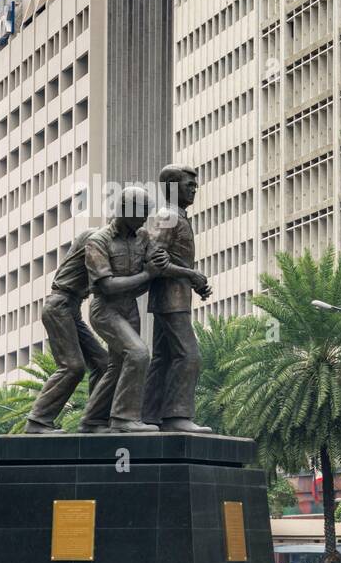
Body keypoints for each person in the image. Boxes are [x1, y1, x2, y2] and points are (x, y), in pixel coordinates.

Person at [79, 185, 185, 433]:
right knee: (138, 353)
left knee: (117, 366)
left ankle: (92, 420)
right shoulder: (98, 241)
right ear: (124, 209)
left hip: (130, 308)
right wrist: (147, 274)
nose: (145, 218)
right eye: (141, 212)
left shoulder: (144, 238)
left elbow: (159, 265)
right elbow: (107, 286)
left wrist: (188, 274)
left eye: (148, 212)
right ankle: (124, 419)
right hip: (105, 310)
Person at [142, 163, 213, 433]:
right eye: (189, 184)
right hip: (170, 300)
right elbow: (155, 259)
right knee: (188, 355)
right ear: (172, 187)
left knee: (163, 357)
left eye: (195, 185)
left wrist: (192, 281)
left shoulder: (178, 216)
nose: (195, 189)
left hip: (175, 297)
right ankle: (176, 416)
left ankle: (149, 415)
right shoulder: (168, 215)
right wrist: (191, 275)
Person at [23, 228, 109, 434]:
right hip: (59, 305)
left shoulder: (101, 242)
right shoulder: (94, 239)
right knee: (72, 367)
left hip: (71, 308)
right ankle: (38, 421)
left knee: (103, 363)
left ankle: (94, 420)